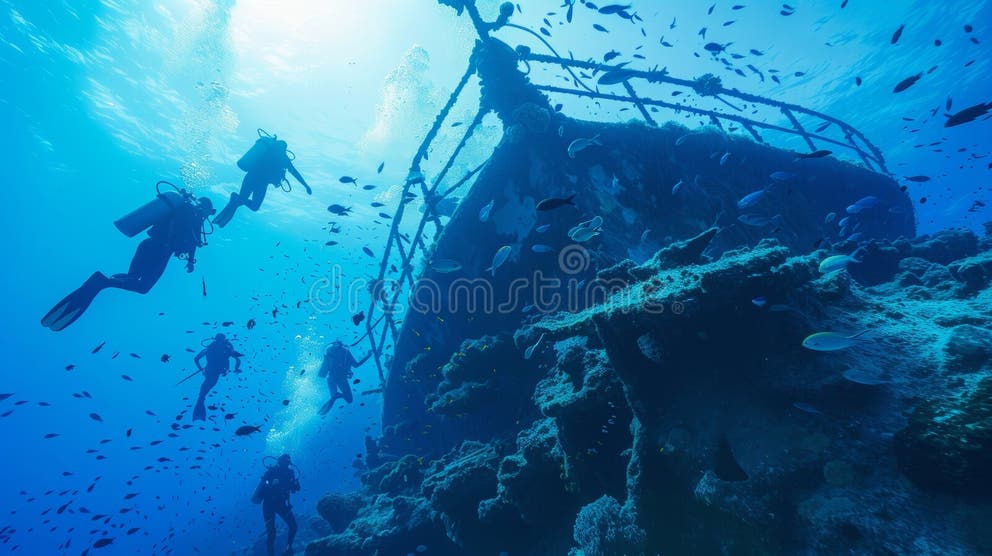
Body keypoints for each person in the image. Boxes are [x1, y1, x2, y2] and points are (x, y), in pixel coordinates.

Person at [41, 190, 215, 332]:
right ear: (205, 209)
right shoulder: (195, 217)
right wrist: (190, 261)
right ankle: (103, 282)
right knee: (143, 287)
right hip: (161, 251)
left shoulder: (179, 209)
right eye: (210, 211)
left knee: (132, 277)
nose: (208, 215)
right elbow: (194, 242)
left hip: (146, 245)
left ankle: (103, 281)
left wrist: (189, 259)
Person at [213, 130, 311, 227]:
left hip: (252, 177)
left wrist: (306, 186)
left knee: (244, 201)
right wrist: (306, 186)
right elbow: (295, 173)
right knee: (253, 205)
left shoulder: (271, 152)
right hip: (259, 181)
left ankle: (234, 199)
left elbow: (295, 172)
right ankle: (234, 199)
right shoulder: (284, 158)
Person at [252, 454, 300, 556]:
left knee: (293, 526)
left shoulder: (290, 473)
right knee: (271, 532)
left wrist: (295, 485)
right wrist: (271, 485)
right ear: (279, 462)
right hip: (268, 505)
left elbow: (294, 489)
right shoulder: (271, 471)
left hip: (281, 505)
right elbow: (261, 491)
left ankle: (288, 549)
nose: (285, 465)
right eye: (284, 462)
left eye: (287, 463)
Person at [191, 333, 243, 421]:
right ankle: (200, 404)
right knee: (206, 387)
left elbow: (196, 358)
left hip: (213, 371)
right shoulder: (220, 348)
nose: (221, 342)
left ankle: (200, 403)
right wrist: (236, 368)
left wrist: (201, 369)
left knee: (206, 388)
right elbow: (237, 359)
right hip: (213, 371)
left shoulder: (219, 348)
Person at [317, 340, 371, 415]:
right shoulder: (345, 352)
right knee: (349, 400)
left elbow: (323, 372)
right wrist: (368, 355)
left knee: (334, 397)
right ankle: (338, 395)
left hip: (331, 379)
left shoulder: (329, 351)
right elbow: (356, 365)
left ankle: (336, 395)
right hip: (342, 379)